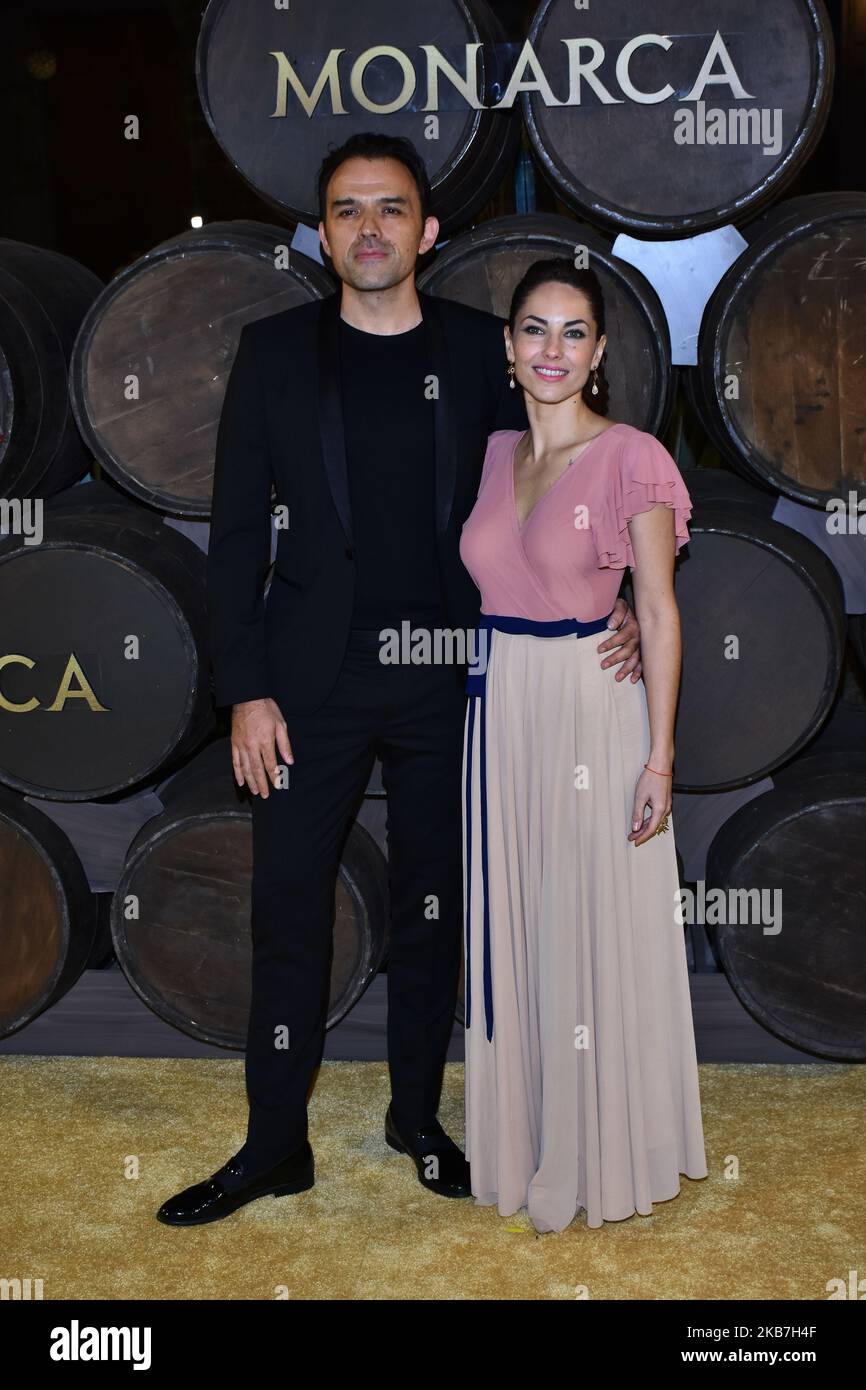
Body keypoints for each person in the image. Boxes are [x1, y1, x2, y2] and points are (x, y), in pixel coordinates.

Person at [157, 134, 643, 1227]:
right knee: (288, 913)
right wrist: (245, 689)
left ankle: (415, 1118)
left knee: (434, 914)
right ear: (321, 234)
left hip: (452, 681)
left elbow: (570, 471)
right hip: (304, 687)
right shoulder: (274, 351)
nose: (368, 228)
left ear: (426, 231)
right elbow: (235, 537)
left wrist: (615, 587)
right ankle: (274, 1145)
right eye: (345, 210)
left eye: (389, 209)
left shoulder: (484, 351)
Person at [460, 258, 708, 1233]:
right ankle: (522, 1139)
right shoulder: (488, 455)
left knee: (586, 918)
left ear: (598, 352)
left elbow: (656, 605)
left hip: (587, 707)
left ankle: (601, 1151)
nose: (551, 349)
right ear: (509, 347)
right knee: (518, 916)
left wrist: (659, 758)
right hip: (500, 704)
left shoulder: (632, 456)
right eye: (534, 329)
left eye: (572, 332)